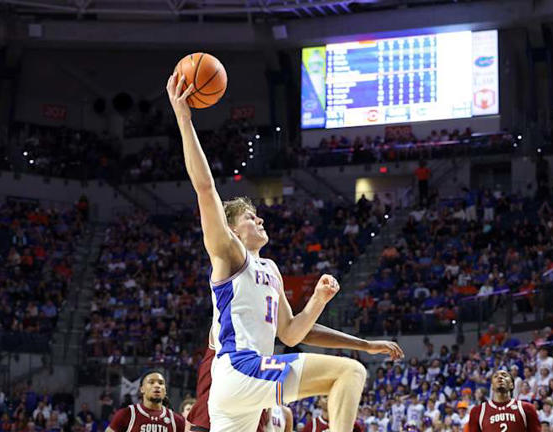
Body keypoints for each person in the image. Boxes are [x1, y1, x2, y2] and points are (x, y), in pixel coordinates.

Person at [166, 71, 403, 432]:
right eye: (249, 216)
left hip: (243, 387)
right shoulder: (230, 254)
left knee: (352, 364)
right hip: (238, 368)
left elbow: (291, 334)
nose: (259, 218)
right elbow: (204, 186)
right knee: (349, 373)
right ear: (231, 228)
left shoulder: (271, 269)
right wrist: (184, 118)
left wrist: (329, 310)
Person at [105, 370, 185, 432]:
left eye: (161, 383)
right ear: (142, 389)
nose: (157, 386)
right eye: (151, 382)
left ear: (165, 391)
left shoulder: (176, 420)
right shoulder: (126, 414)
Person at [464, 370, 541, 432]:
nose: (500, 377)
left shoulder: (526, 408)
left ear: (512, 385)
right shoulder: (478, 411)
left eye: (504, 375)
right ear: (492, 386)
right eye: (496, 376)